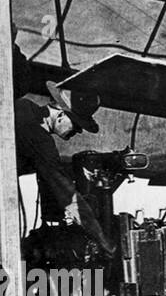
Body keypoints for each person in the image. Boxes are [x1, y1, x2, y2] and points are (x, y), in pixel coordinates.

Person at [15, 82, 116, 254]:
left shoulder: (21, 105)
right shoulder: (42, 142)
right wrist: (101, 239)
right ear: (61, 114)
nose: (76, 132)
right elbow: (68, 195)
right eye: (76, 125)